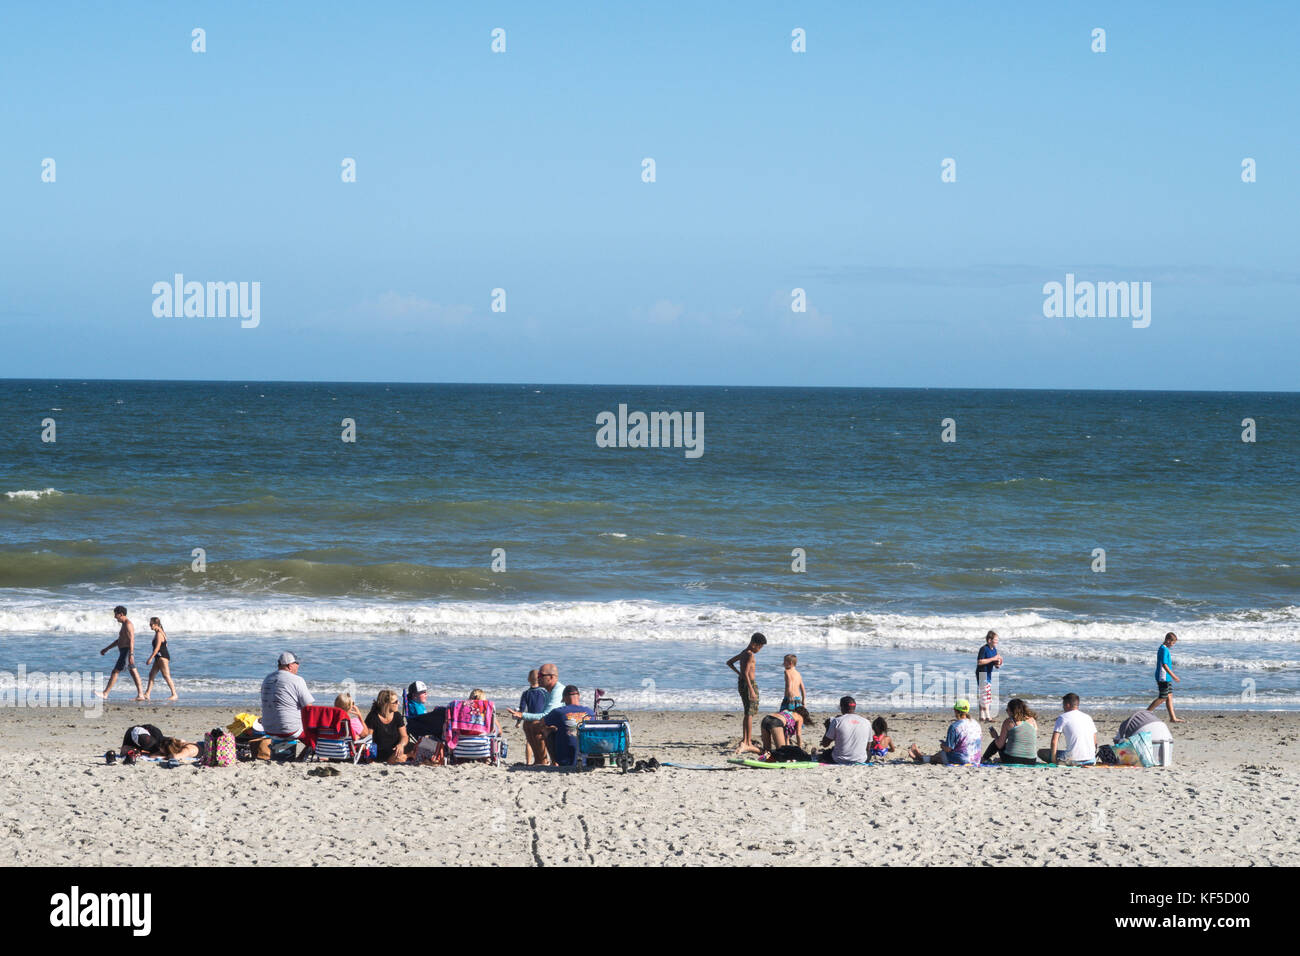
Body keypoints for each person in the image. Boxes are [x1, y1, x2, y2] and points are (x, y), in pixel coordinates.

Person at [507, 663, 563, 766]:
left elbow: (545, 714)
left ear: (551, 677)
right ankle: (539, 760)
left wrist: (522, 715)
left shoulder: (557, 691)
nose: (538, 678)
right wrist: (523, 716)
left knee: (536, 725)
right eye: (538, 676)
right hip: (555, 721)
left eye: (541, 676)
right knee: (528, 724)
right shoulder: (547, 691)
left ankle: (545, 761)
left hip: (563, 724)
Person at [259, 652, 315, 739]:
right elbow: (308, 708)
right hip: (289, 730)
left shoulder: (267, 678)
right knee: (315, 735)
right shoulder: (297, 680)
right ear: (290, 666)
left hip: (267, 728)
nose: (298, 666)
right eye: (296, 663)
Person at [726, 632, 766, 754]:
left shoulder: (744, 652)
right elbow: (748, 674)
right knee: (749, 714)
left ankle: (746, 739)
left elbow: (729, 662)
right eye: (760, 647)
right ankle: (747, 742)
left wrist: (739, 674)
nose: (760, 649)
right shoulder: (750, 655)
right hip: (749, 684)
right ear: (754, 644)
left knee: (747, 712)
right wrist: (752, 690)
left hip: (742, 683)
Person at [908, 699, 982, 765]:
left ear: (955, 710)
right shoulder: (976, 724)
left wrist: (942, 746)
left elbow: (948, 749)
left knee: (941, 754)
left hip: (962, 760)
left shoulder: (955, 727)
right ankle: (921, 757)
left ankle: (920, 758)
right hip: (976, 759)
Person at [98, 606, 144, 699]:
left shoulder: (128, 624)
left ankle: (105, 693)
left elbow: (132, 640)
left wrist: (131, 654)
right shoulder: (124, 625)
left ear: (121, 614)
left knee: (115, 671)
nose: (115, 617)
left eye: (116, 614)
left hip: (126, 651)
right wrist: (107, 648)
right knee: (133, 672)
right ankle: (141, 695)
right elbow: (119, 640)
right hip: (124, 651)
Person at [542, 685, 595, 767]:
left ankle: (554, 762)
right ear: (578, 696)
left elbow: (541, 723)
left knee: (547, 730)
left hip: (565, 759)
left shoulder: (558, 712)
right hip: (589, 758)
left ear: (564, 698)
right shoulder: (590, 712)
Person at [1040, 693, 1098, 766]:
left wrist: (1053, 761)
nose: (1063, 707)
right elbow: (1095, 741)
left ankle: (1062, 761)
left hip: (1074, 759)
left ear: (1067, 705)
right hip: (1091, 759)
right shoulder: (1088, 717)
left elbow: (1054, 741)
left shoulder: (1063, 717)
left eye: (1063, 705)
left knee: (1041, 752)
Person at [982, 697, 1038, 764]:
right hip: (1031, 760)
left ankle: (983, 759)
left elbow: (1000, 745)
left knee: (996, 742)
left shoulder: (1009, 722)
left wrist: (995, 736)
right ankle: (999, 759)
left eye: (1007, 710)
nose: (1006, 711)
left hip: (1012, 759)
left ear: (1012, 711)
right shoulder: (1032, 720)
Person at [819, 696, 871, 764]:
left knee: (826, 753)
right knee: (868, 754)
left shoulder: (837, 721)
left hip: (839, 759)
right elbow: (868, 747)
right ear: (854, 707)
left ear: (841, 707)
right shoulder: (866, 722)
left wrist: (828, 727)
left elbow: (825, 744)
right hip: (861, 759)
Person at [1147, 632, 1184, 723]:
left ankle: (1173, 718)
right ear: (1168, 640)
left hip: (1167, 677)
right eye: (1173, 643)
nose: (1173, 645)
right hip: (1163, 677)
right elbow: (1164, 665)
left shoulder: (1164, 648)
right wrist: (1173, 675)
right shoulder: (1163, 650)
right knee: (1162, 697)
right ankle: (1146, 713)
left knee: (1169, 696)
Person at [365, 689, 409, 763]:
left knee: (418, 747)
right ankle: (406, 756)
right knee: (402, 757)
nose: (399, 703)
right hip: (380, 751)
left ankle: (406, 756)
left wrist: (401, 744)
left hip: (395, 748)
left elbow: (404, 736)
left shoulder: (397, 715)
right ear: (387, 704)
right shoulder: (373, 717)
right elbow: (368, 739)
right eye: (395, 702)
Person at [142, 617, 178, 701]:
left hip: (162, 657)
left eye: (151, 624)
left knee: (166, 676)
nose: (149, 625)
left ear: (156, 624)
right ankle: (147, 693)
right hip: (159, 657)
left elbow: (157, 647)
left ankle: (174, 694)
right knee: (151, 674)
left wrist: (150, 658)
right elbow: (165, 645)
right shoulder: (160, 632)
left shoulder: (159, 633)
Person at [518, 669, 548, 764]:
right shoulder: (544, 692)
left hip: (529, 719)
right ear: (540, 679)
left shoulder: (526, 693)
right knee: (543, 740)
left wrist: (518, 722)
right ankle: (544, 760)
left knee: (529, 742)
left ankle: (528, 762)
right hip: (541, 719)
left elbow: (521, 709)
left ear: (528, 679)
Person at [976, 630, 1003, 720]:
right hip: (982, 673)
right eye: (995, 639)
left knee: (984, 694)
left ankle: (981, 716)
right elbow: (980, 662)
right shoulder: (984, 649)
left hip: (988, 674)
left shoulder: (994, 650)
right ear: (989, 640)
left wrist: (998, 663)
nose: (997, 641)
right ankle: (987, 715)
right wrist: (993, 659)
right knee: (985, 694)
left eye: (997, 639)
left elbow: (995, 664)